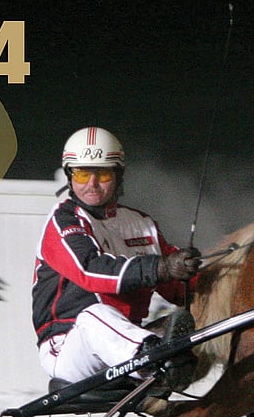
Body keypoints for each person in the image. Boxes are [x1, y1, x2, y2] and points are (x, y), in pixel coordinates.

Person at [32, 126, 200, 386]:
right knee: (94, 315)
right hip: (68, 349)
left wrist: (200, 271)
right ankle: (156, 361)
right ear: (69, 176)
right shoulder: (63, 220)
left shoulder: (141, 223)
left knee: (189, 319)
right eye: (82, 173)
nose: (91, 184)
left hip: (127, 339)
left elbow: (178, 286)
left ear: (118, 175)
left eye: (103, 173)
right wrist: (162, 267)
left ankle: (165, 357)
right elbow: (89, 270)